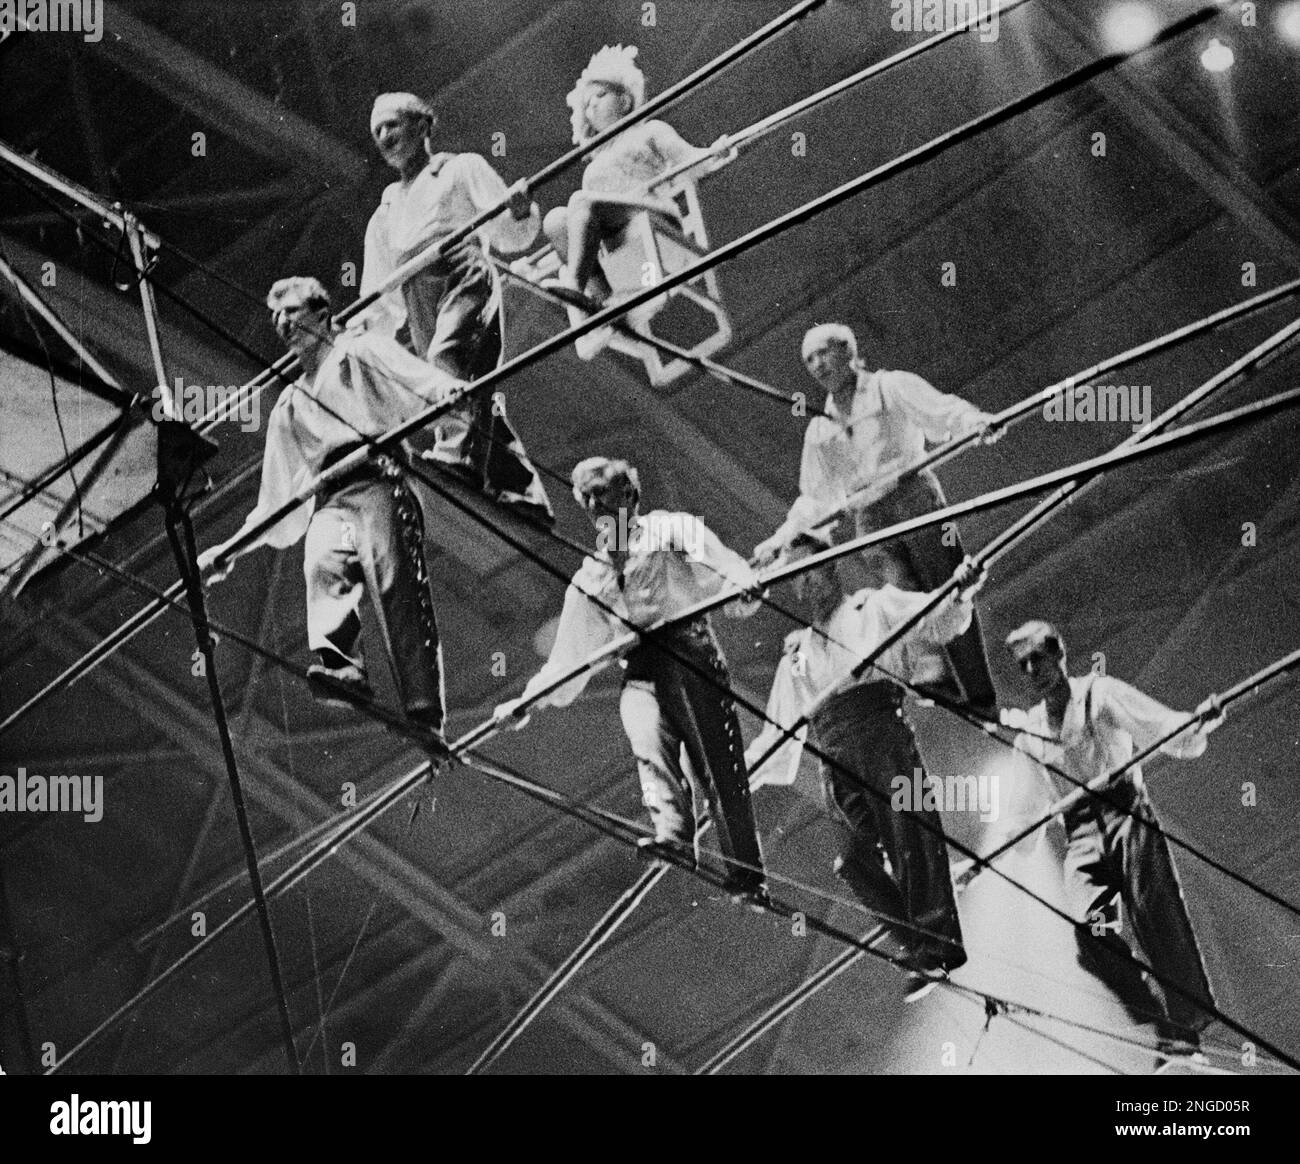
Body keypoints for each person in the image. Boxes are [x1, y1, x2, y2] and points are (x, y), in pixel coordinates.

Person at [198, 276, 457, 749]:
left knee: (397, 581)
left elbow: (413, 377)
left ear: (322, 313)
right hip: (331, 494)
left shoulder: (360, 352)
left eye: (293, 313)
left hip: (380, 477)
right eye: (278, 319)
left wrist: (446, 391)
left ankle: (423, 704)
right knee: (320, 560)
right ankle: (342, 668)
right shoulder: (290, 405)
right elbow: (276, 504)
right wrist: (229, 550)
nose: (284, 324)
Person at [495, 455, 768, 903]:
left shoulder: (671, 529)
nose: (594, 502)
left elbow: (722, 567)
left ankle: (745, 869)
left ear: (630, 495)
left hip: (689, 653)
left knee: (716, 766)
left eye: (603, 491)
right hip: (640, 668)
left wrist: (743, 585)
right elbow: (568, 658)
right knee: (645, 740)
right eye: (586, 495)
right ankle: (673, 834)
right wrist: (525, 702)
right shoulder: (591, 576)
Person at [747, 530, 984, 1001]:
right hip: (832, 753)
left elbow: (939, 619)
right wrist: (737, 782)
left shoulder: (875, 606)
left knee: (910, 831)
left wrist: (962, 589)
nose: (806, 582)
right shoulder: (797, 653)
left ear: (832, 568)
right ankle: (917, 942)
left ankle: (936, 942)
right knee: (852, 860)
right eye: (797, 577)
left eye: (813, 569)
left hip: (882, 730)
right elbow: (777, 730)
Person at [1002, 620, 1224, 1058]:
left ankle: (1184, 1029)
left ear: (1058, 655)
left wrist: (1197, 723)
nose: (1032, 671)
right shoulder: (1028, 735)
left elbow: (1155, 724)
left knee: (1156, 911)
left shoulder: (1098, 694)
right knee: (1090, 934)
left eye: (1038, 659)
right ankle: (1159, 1021)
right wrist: (981, 862)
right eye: (1023, 666)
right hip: (1081, 834)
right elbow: (1022, 817)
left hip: (1125, 812)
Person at [754, 322, 1000, 715]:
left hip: (914, 497)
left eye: (824, 353)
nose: (817, 365)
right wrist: (779, 540)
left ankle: (980, 692)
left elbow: (940, 409)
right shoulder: (820, 429)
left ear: (848, 353)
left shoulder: (890, 386)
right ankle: (935, 673)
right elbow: (813, 499)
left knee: (951, 585)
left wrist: (975, 423)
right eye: (809, 360)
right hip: (869, 517)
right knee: (902, 598)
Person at [361, 91, 552, 525]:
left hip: (462, 272)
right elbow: (379, 289)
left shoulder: (460, 167)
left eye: (393, 124)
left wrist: (519, 211)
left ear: (423, 125)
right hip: (416, 293)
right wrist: (362, 332)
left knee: (449, 359)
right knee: (459, 381)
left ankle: (459, 454)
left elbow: (508, 233)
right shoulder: (385, 210)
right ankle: (523, 488)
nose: (385, 137)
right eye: (377, 132)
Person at [542, 45, 711, 330]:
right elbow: (583, 226)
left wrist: (714, 152)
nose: (592, 105)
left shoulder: (648, 131)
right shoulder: (594, 166)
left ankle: (575, 287)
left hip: (654, 220)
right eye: (586, 105)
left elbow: (690, 159)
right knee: (556, 220)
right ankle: (603, 299)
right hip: (618, 243)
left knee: (582, 203)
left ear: (623, 100)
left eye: (600, 95)